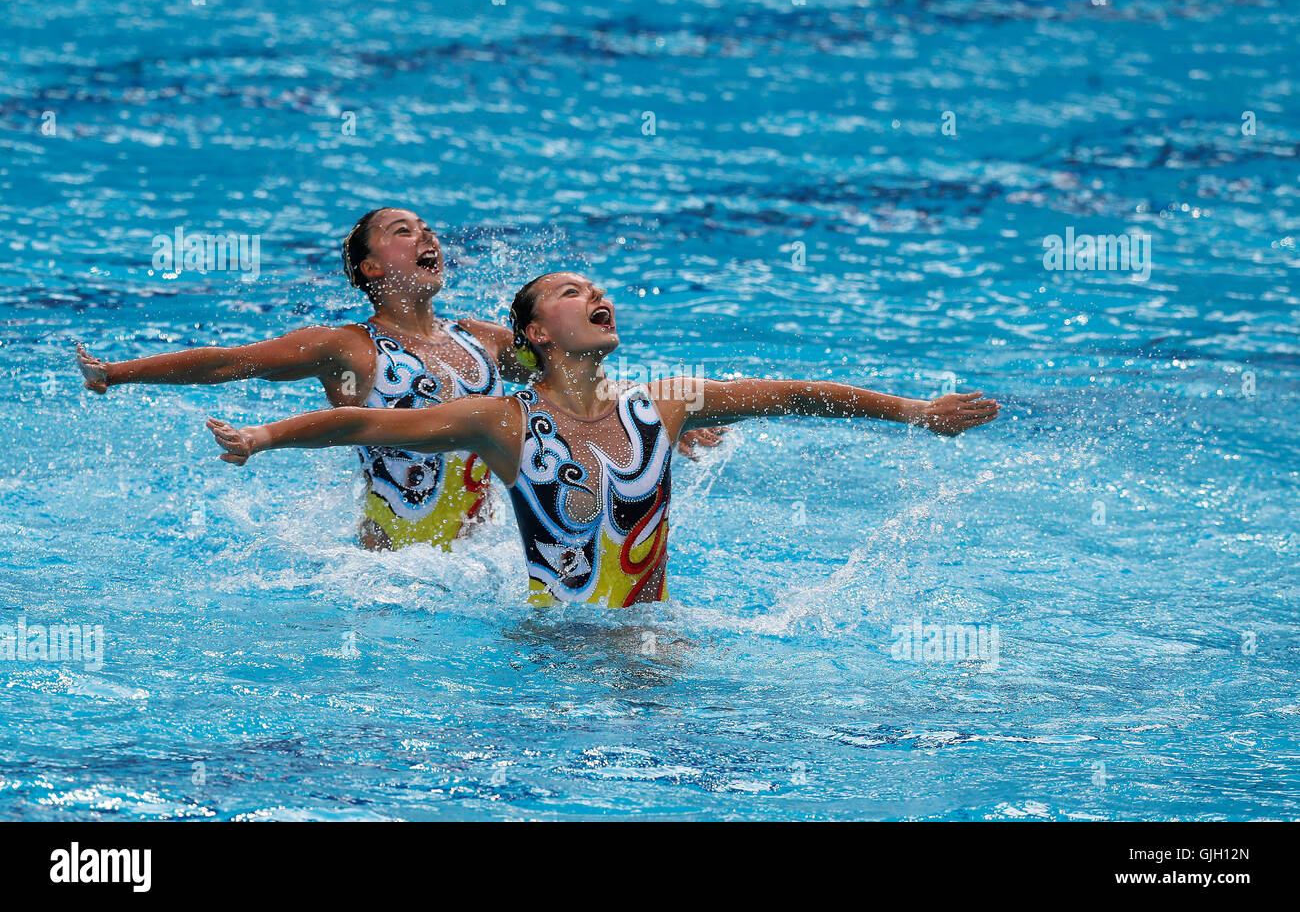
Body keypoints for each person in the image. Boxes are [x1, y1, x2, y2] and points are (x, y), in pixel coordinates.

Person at [207, 271, 1002, 607]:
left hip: (656, 637)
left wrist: (916, 412)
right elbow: (371, 424)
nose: (597, 296)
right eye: (570, 291)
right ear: (533, 332)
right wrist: (266, 435)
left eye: (597, 289)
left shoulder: (665, 406)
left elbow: (793, 394)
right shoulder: (505, 421)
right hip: (550, 654)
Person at [76, 208, 723, 550]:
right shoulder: (351, 349)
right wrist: (118, 374)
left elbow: (572, 382)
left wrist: (655, 428)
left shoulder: (483, 342)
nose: (425, 236)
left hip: (479, 564)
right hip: (389, 570)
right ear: (366, 268)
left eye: (427, 228)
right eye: (401, 231)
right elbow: (230, 360)